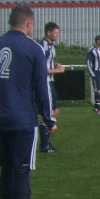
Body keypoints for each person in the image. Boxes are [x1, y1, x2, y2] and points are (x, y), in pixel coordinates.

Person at [0, 3, 56, 199]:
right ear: (28, 24)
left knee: (5, 169)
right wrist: (48, 118)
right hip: (22, 119)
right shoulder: (33, 49)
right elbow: (41, 87)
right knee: (21, 170)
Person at [38, 22, 64, 153]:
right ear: (48, 33)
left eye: (58, 33)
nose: (57, 35)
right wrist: (58, 71)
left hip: (50, 82)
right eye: (55, 33)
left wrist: (55, 63)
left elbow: (48, 60)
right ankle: (44, 145)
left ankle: (45, 144)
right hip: (45, 82)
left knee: (54, 111)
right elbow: (41, 69)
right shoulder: (42, 46)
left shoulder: (51, 46)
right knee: (49, 112)